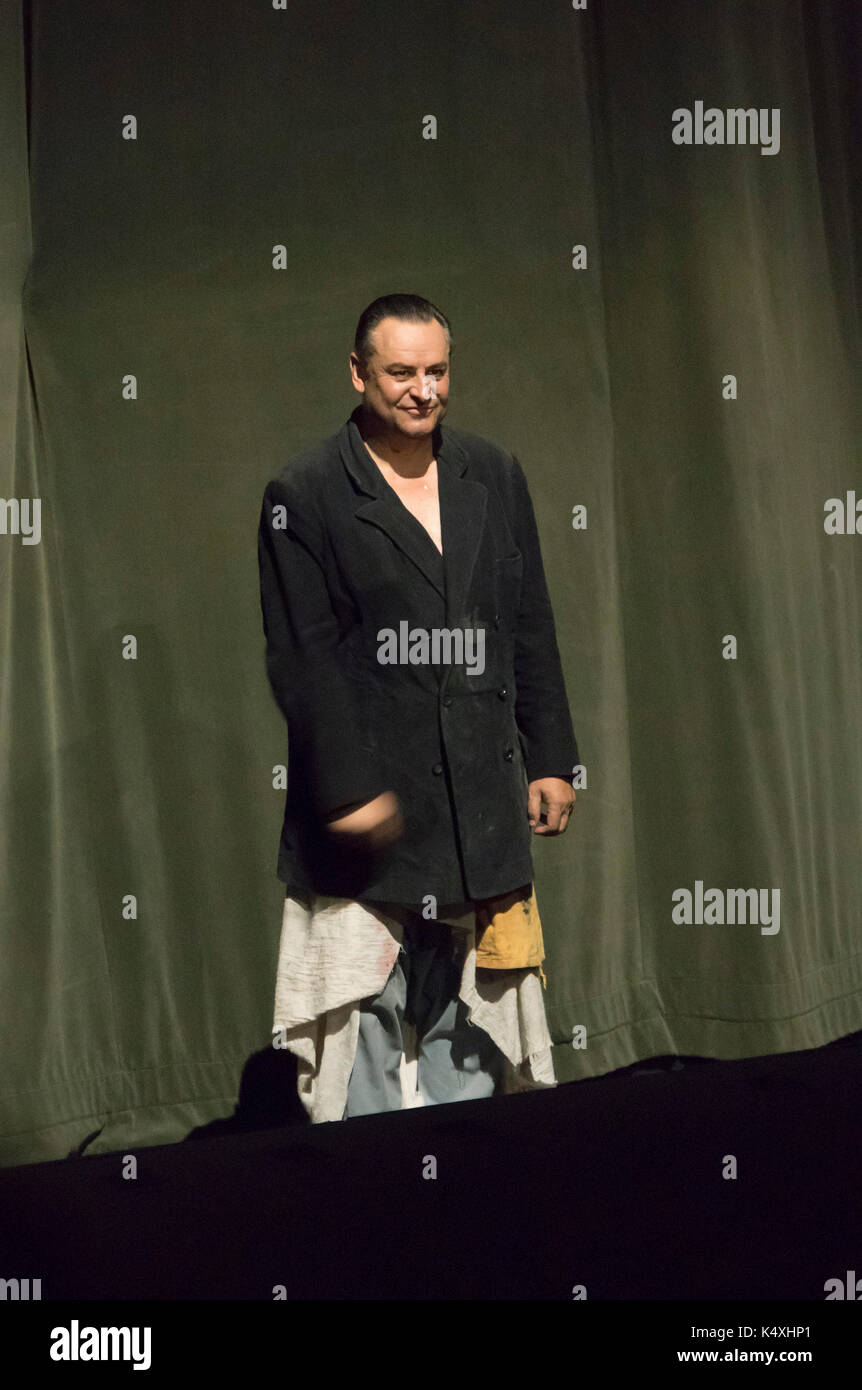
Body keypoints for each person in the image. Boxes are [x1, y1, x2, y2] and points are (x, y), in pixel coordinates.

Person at [258, 293, 579, 1121]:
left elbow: (527, 621)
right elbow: (305, 659)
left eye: (436, 371)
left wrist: (549, 755)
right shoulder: (307, 491)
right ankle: (375, 1215)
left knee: (470, 1025)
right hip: (372, 819)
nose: (422, 389)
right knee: (364, 1038)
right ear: (358, 372)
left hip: (478, 805)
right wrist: (350, 791)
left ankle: (463, 1209)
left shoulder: (491, 472)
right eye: (401, 372)